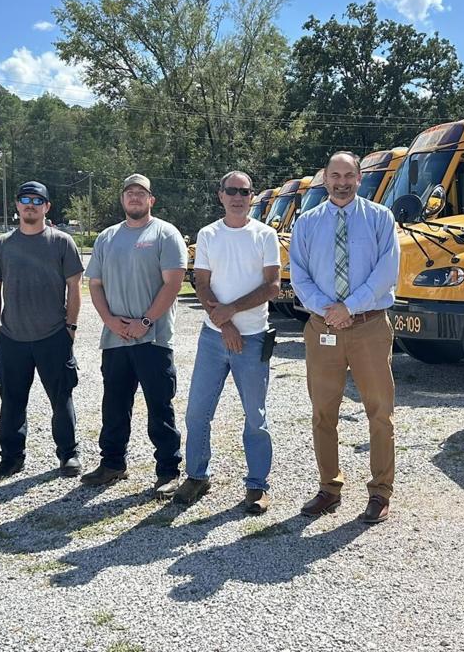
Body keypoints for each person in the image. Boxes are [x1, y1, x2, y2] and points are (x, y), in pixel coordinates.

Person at [289, 152, 400, 523]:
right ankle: (328, 488)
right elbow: (299, 276)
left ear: (359, 177)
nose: (341, 182)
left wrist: (349, 306)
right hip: (323, 328)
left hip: (368, 325)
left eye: (348, 175)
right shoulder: (307, 223)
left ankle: (380, 491)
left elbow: (387, 271)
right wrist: (329, 310)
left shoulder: (381, 218)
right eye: (334, 174)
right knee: (323, 412)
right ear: (324, 177)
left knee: (380, 411)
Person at [173, 171, 280, 513]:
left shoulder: (265, 235)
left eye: (244, 191)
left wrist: (231, 313)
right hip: (213, 339)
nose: (237, 196)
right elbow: (200, 282)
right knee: (197, 412)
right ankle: (197, 475)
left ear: (252, 197)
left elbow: (272, 286)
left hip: (253, 338)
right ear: (220, 195)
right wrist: (224, 323)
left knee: (255, 416)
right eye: (231, 190)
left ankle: (257, 485)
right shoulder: (208, 234)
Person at [82, 174, 187, 498]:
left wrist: (145, 321)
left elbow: (173, 283)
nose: (135, 197)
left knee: (159, 406)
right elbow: (95, 284)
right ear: (122, 200)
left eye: (141, 193)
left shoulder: (165, 234)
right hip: (115, 340)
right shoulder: (107, 237)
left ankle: (168, 470)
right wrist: (110, 321)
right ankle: (113, 463)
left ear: (151, 200)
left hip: (152, 339)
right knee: (114, 405)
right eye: (129, 193)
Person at [0, 181, 84, 481]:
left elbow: (74, 289)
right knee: (12, 402)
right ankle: (12, 458)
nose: (31, 204)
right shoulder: (1, 245)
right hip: (12, 339)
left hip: (54, 336)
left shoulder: (62, 242)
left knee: (61, 399)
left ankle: (69, 454)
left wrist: (71, 328)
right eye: (25, 199)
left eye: (37, 200)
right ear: (17, 205)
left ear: (47, 207)